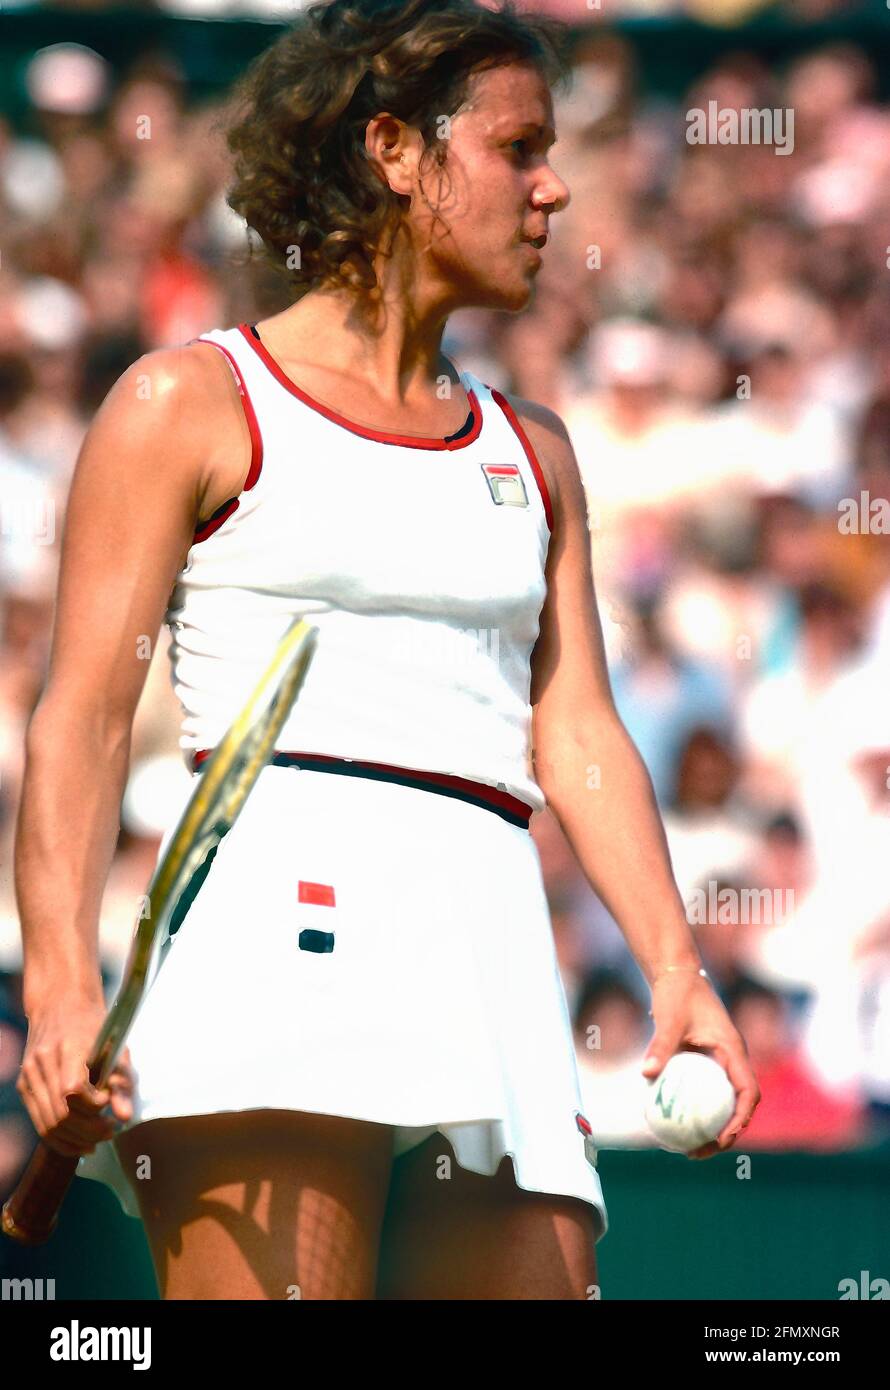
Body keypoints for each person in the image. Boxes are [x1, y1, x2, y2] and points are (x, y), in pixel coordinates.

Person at [14, 0, 758, 1301]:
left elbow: (575, 730)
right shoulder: (183, 402)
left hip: (490, 952)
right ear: (395, 151)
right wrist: (64, 984)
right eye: (517, 147)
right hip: (269, 949)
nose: (554, 186)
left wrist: (675, 967)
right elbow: (78, 715)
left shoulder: (535, 452)